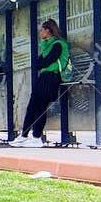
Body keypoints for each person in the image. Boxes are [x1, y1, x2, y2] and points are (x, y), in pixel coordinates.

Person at [13, 20, 68, 148]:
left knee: (41, 108)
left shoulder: (58, 44)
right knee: (31, 106)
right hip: (43, 77)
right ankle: (24, 136)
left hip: (52, 77)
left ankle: (37, 138)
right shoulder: (46, 45)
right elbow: (38, 64)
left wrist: (43, 62)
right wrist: (43, 62)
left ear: (48, 30)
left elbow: (47, 61)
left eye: (42, 30)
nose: (40, 32)